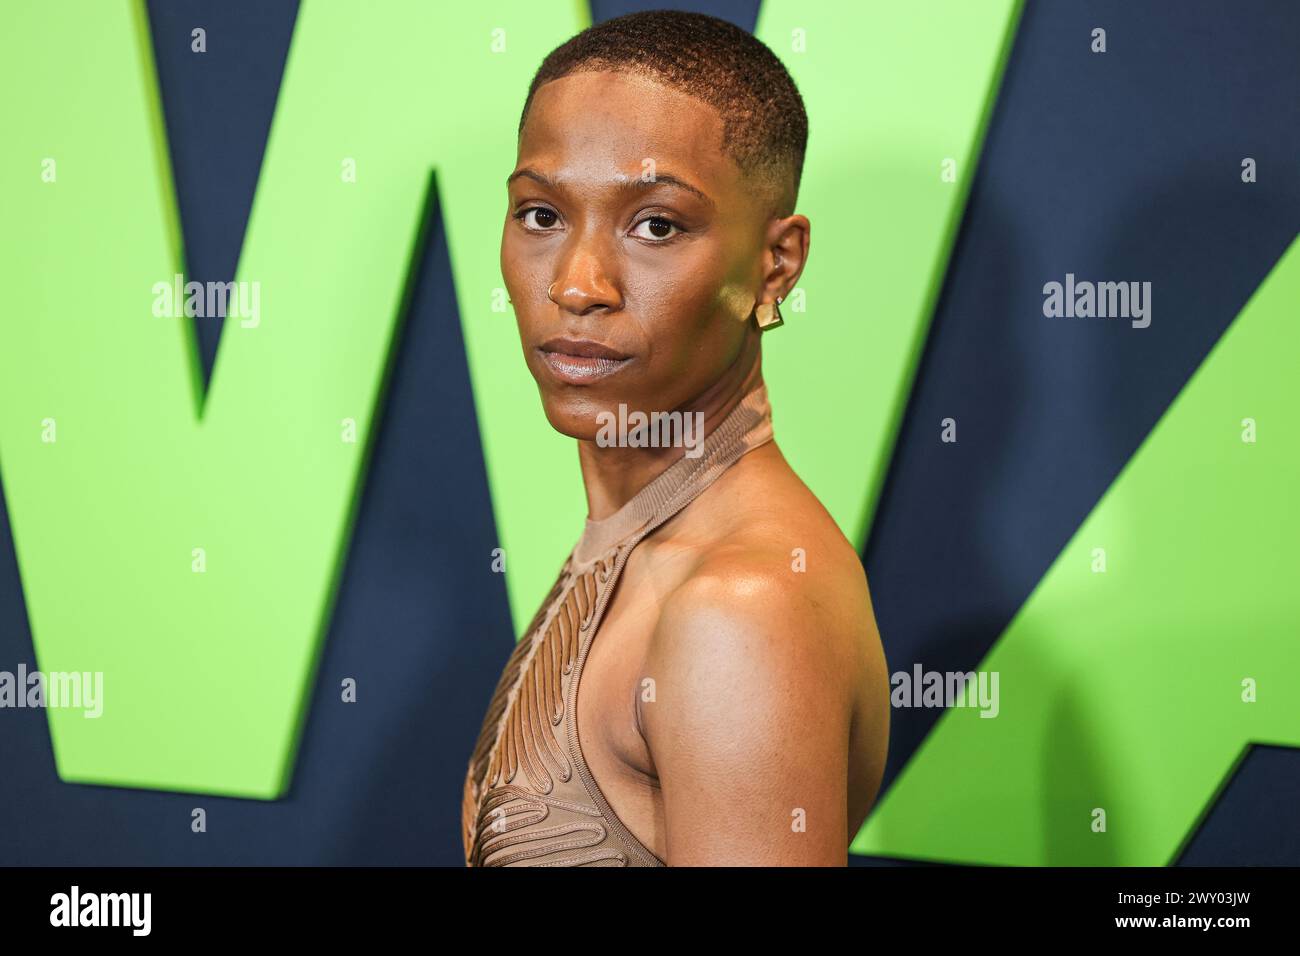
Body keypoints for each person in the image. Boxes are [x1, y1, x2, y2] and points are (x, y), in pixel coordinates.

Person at [462, 9, 889, 867]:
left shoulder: (739, 610)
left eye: (656, 225)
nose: (578, 285)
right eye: (541, 214)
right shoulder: (639, 537)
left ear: (777, 264)